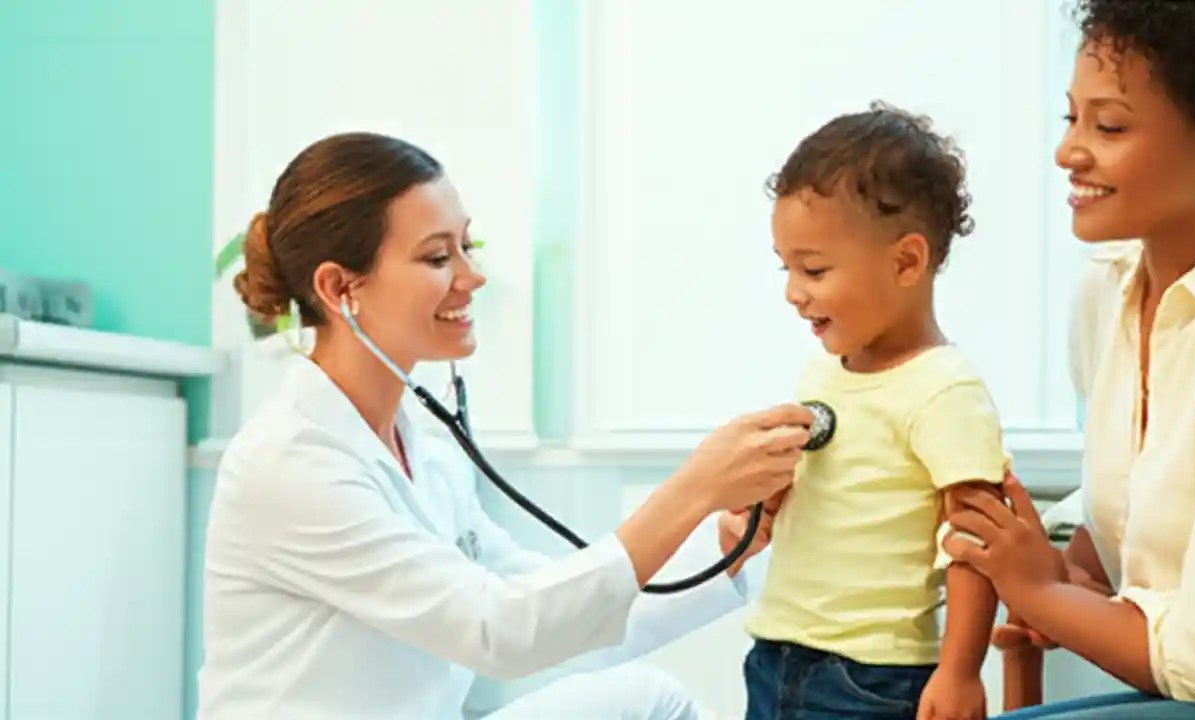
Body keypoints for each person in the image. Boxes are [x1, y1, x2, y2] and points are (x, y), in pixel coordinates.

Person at [196, 131, 816, 720]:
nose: (473, 276)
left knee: (648, 700)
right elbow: (502, 631)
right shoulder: (294, 463)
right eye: (438, 256)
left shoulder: (424, 449)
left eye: (468, 246)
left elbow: (561, 619)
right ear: (339, 287)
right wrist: (695, 488)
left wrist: (728, 544)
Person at [942, 1, 1195, 717]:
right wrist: (1067, 568)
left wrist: (1043, 592)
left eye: (1110, 126)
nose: (1068, 151)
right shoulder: (1108, 290)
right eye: (1071, 119)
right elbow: (1138, 494)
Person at [739, 103, 1009, 720]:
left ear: (907, 262)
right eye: (787, 268)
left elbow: (972, 546)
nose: (792, 291)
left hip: (871, 677)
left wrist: (959, 671)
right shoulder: (823, 373)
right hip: (776, 653)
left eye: (813, 269)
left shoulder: (944, 390)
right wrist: (769, 503)